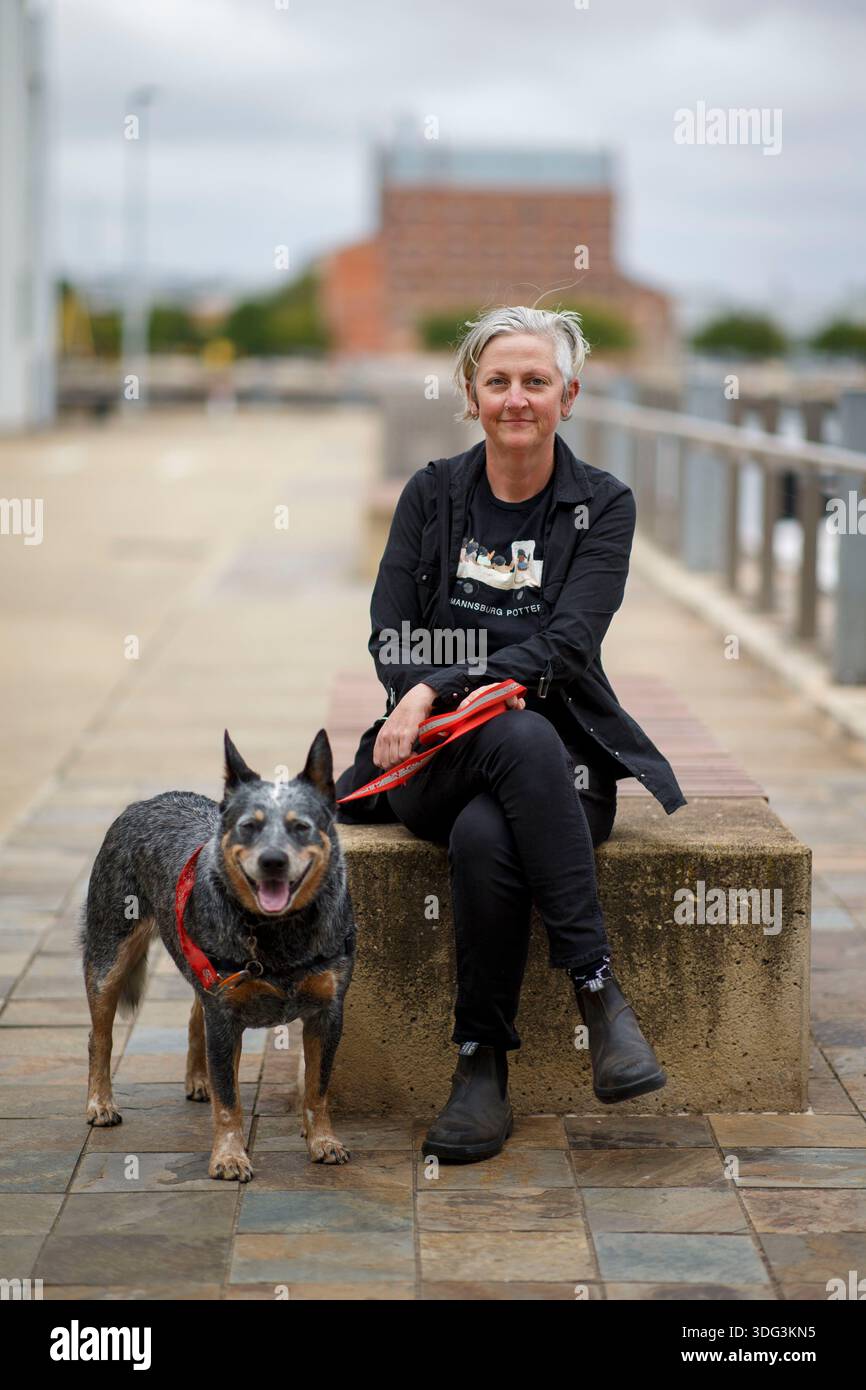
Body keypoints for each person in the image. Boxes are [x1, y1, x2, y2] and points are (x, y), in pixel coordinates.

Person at [336, 305, 687, 1163]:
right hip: (435, 757)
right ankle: (599, 997)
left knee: (494, 824)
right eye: (499, 381)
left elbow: (570, 642)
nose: (517, 398)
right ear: (471, 396)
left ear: (569, 395)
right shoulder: (431, 495)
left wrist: (440, 681)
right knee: (515, 741)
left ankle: (480, 1067)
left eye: (536, 381)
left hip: (563, 767)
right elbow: (392, 634)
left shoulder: (603, 505)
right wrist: (444, 690)